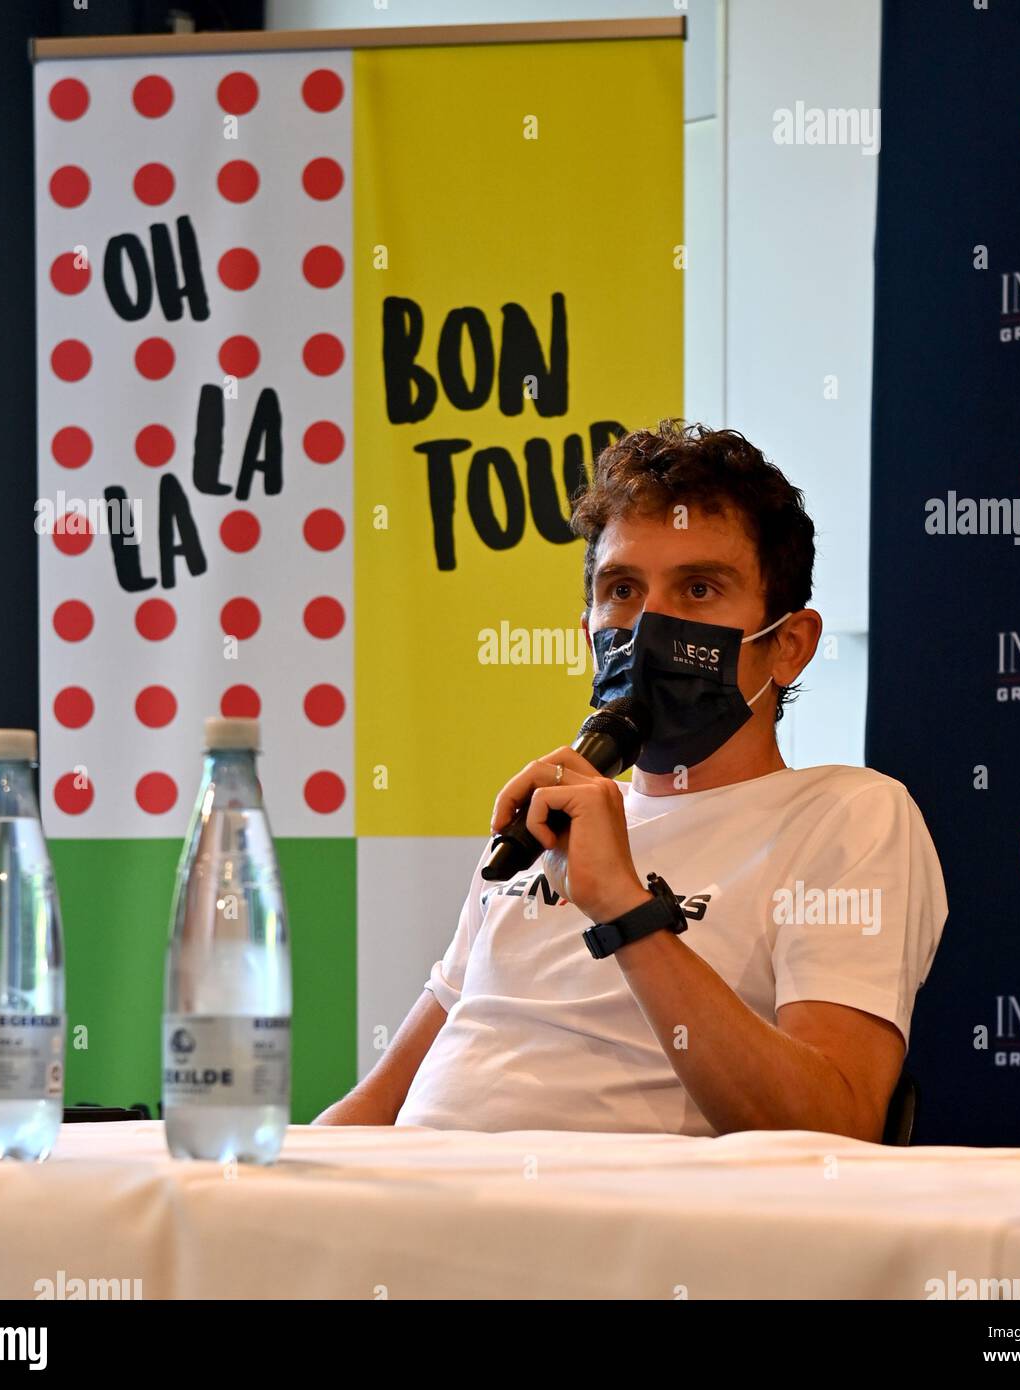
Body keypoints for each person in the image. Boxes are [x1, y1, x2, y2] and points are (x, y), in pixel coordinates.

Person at [314, 420, 947, 1140]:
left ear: (790, 645)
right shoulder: (548, 821)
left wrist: (623, 906)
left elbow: (834, 1125)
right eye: (623, 589)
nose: (651, 626)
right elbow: (373, 1108)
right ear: (589, 632)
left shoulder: (849, 815)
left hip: (601, 1212)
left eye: (699, 588)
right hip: (409, 1193)